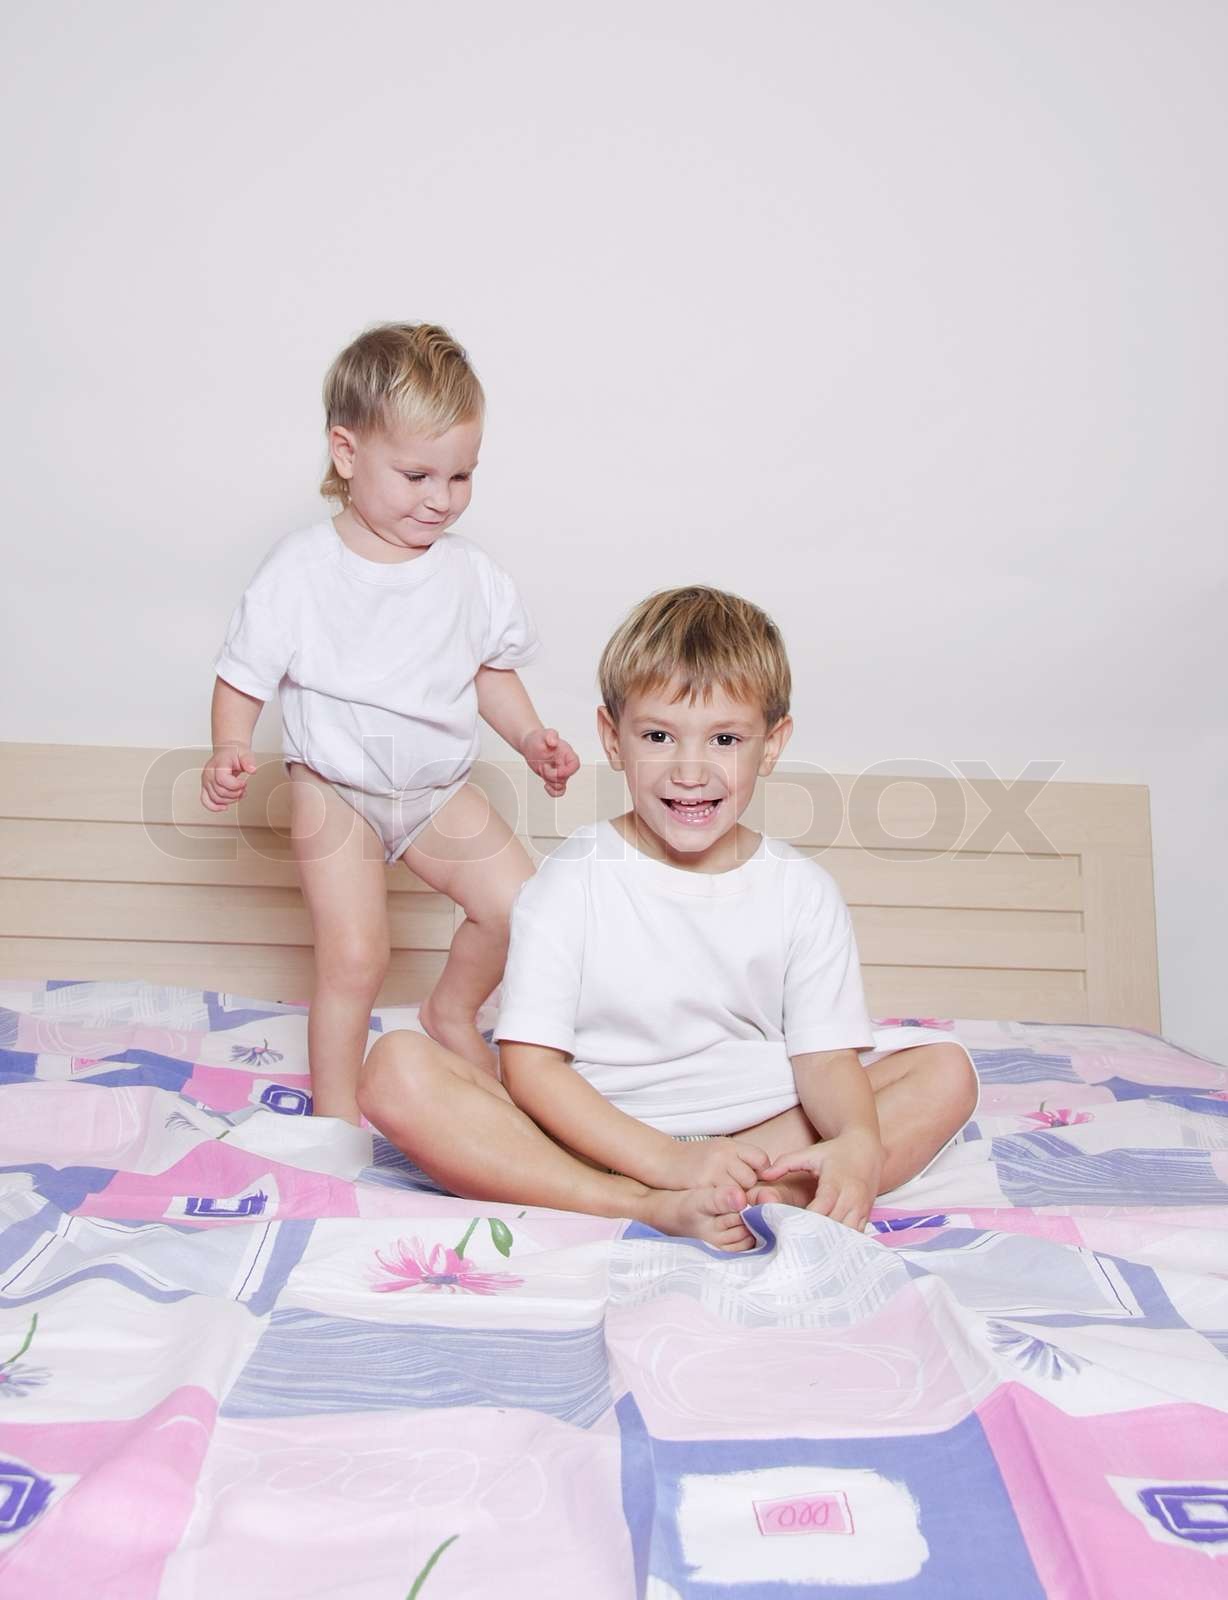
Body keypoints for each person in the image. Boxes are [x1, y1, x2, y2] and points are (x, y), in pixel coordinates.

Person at [358, 586, 978, 1250]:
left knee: (944, 1072)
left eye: (725, 739)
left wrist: (856, 1140)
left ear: (771, 746)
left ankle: (773, 1195)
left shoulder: (802, 892)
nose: (689, 770)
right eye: (658, 736)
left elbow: (826, 1060)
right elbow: (531, 1069)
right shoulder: (569, 882)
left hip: (762, 1130)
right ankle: (637, 1203)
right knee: (395, 1068)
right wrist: (665, 1162)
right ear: (613, 739)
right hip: (594, 1136)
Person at [201, 322, 579, 1124]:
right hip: (335, 791)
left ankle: (450, 1012)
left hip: (437, 792)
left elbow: (488, 671)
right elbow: (243, 674)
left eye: (461, 476)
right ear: (347, 452)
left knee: (524, 908)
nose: (441, 498)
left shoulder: (470, 575)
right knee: (355, 956)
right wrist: (231, 745)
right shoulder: (303, 570)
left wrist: (531, 737)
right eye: (416, 475)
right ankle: (336, 1117)